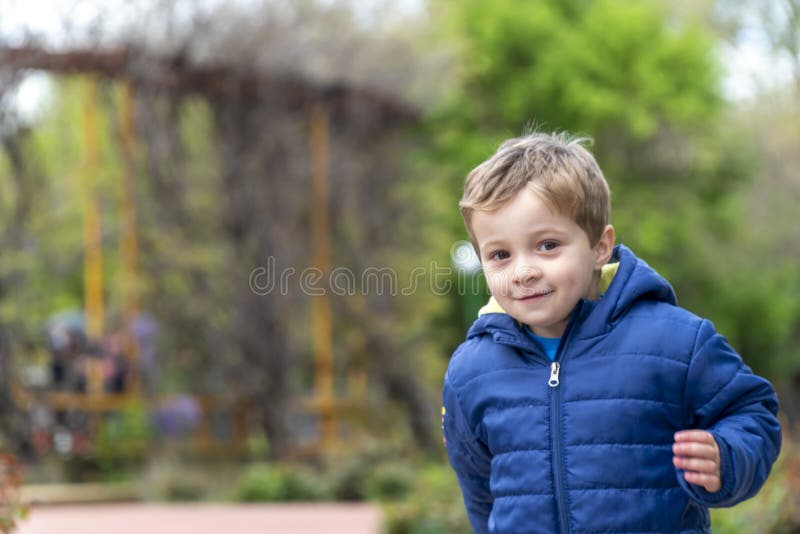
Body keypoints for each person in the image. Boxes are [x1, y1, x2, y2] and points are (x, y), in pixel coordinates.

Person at [442, 132, 781, 533]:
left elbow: (752, 412)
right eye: (500, 255)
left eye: (547, 245)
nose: (523, 271)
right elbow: (481, 490)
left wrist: (727, 458)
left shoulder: (674, 342)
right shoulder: (471, 371)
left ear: (600, 247)